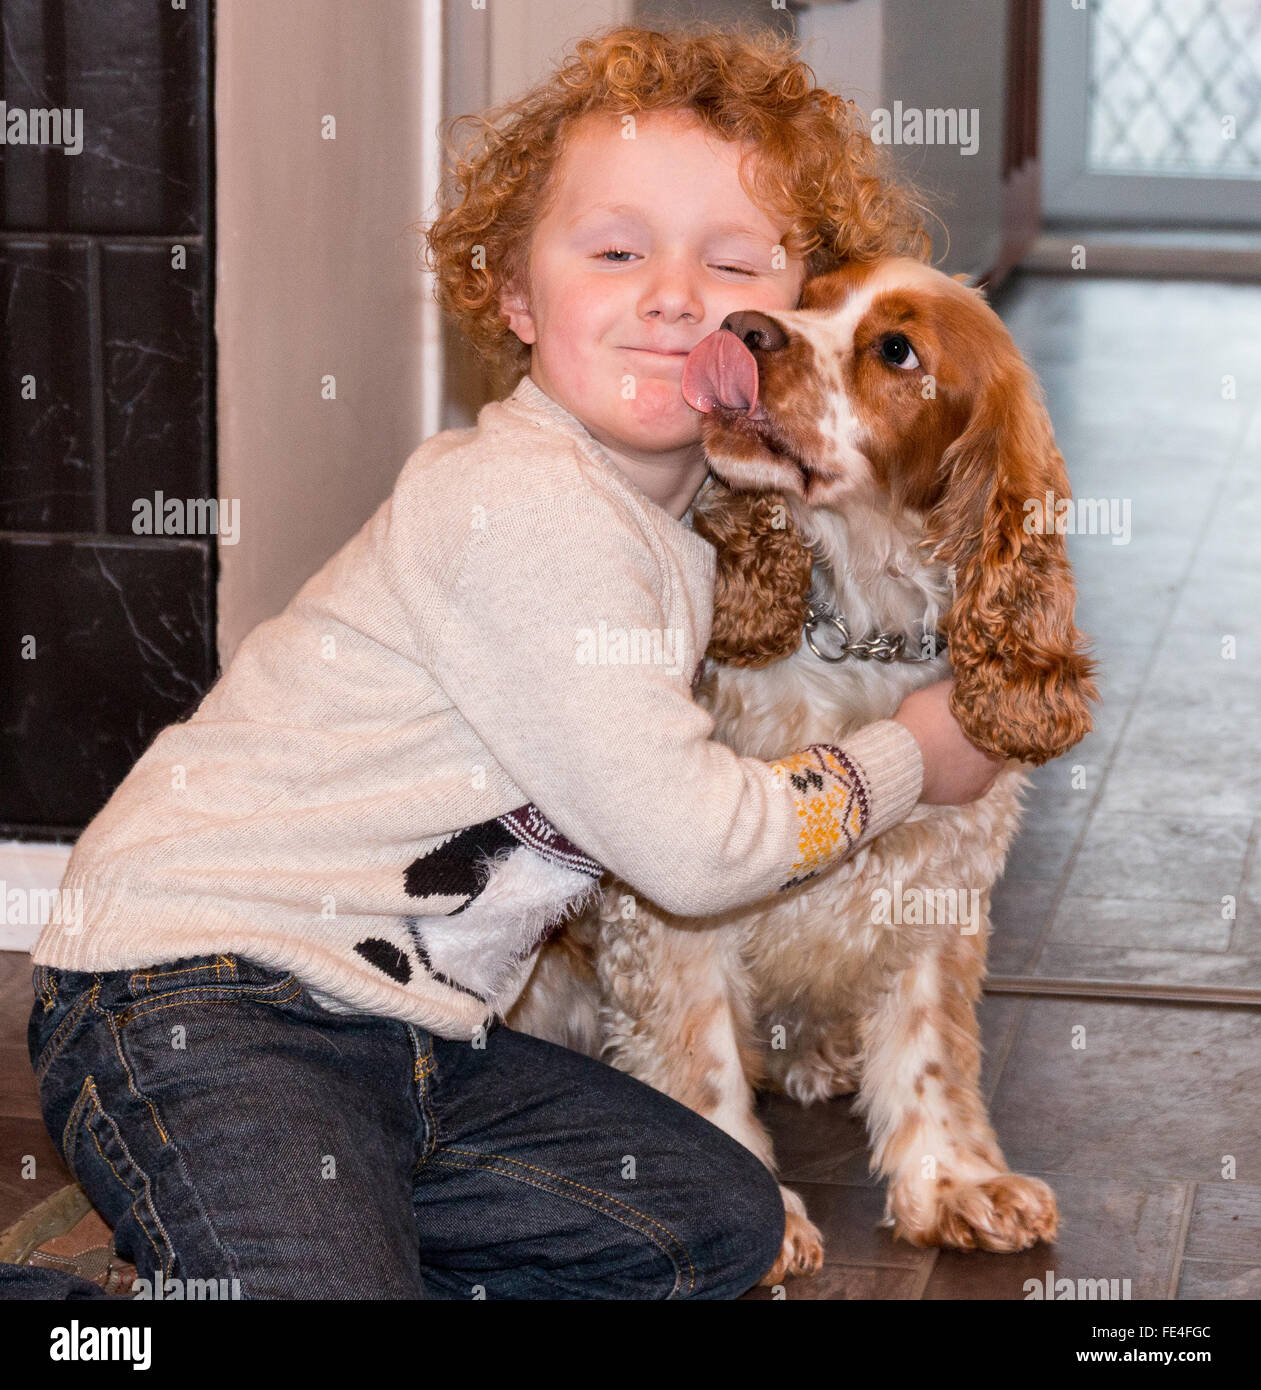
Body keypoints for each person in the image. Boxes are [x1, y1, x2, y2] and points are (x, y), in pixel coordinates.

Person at [20, 23, 1001, 1301]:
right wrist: (908, 757)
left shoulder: (673, 532)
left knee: (717, 1221)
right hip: (202, 998)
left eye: (734, 264)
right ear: (514, 297)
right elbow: (692, 850)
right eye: (615, 252)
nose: (674, 295)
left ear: (782, 331)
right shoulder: (523, 508)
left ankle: (269, 1242)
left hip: (419, 1043)